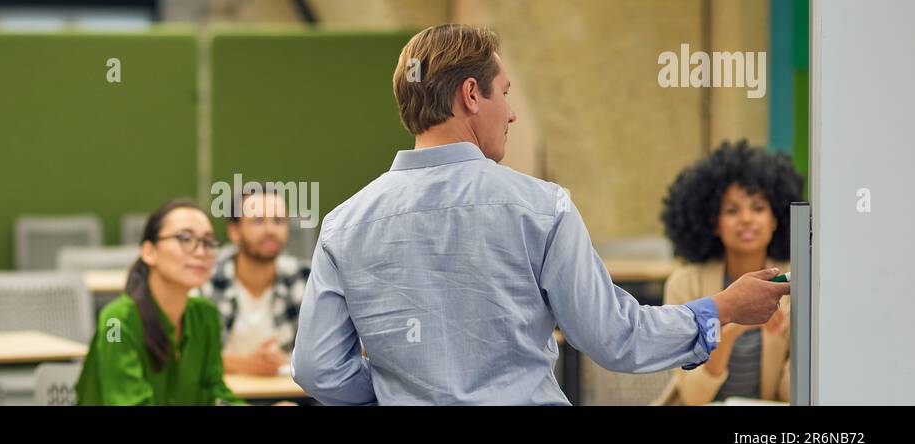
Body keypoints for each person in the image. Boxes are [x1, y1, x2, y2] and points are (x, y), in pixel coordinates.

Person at [291, 24, 790, 405]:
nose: (510, 113)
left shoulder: (342, 225)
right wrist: (722, 309)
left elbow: (318, 370)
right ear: (471, 94)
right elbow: (616, 339)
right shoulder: (542, 208)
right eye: (504, 93)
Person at [654, 141, 803, 405]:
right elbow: (693, 396)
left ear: (776, 219)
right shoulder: (685, 284)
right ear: (713, 223)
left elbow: (794, 396)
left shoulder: (795, 282)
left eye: (758, 208)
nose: (746, 218)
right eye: (732, 210)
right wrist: (733, 326)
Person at [75, 199, 243, 405]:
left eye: (208, 242)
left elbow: (215, 393)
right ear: (149, 251)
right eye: (185, 238)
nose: (200, 252)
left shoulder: (206, 315)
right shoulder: (115, 322)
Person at [200, 191, 310, 376]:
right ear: (234, 232)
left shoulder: (304, 278)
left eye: (278, 221)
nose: (270, 230)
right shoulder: (206, 278)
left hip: (291, 392)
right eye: (258, 221)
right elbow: (186, 355)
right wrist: (244, 364)